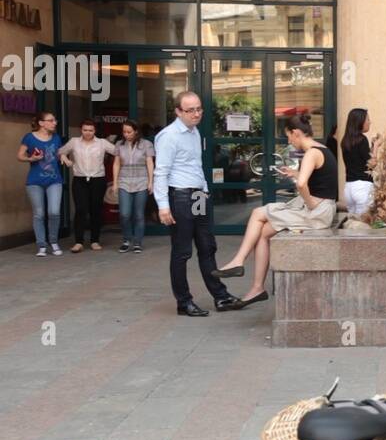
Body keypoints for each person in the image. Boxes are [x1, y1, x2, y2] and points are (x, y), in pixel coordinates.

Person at [213, 114, 338, 307]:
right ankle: (257, 288)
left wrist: (310, 202)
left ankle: (238, 261)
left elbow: (303, 184)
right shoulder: (322, 149)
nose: (288, 141)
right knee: (262, 233)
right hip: (321, 209)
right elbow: (320, 178)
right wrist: (295, 173)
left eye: (289, 136)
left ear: (296, 133)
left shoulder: (311, 153)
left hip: (317, 212)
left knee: (257, 213)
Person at [154, 91, 244, 317]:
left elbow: (196, 166)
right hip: (180, 197)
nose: (196, 114)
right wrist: (163, 205)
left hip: (197, 197)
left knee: (207, 246)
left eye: (199, 109)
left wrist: (204, 190)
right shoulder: (169, 136)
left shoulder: (194, 133)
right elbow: (161, 172)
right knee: (182, 252)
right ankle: (184, 302)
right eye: (190, 110)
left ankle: (221, 297)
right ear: (178, 111)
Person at [58, 119, 116, 253]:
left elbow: (118, 152)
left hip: (98, 180)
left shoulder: (102, 143)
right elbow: (60, 151)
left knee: (95, 210)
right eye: (85, 130)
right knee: (81, 209)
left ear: (94, 131)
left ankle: (95, 240)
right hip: (80, 180)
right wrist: (65, 158)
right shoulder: (74, 142)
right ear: (81, 130)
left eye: (90, 130)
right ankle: (79, 242)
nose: (88, 133)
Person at [18, 111, 64, 257]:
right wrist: (31, 158)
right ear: (41, 123)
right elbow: (20, 155)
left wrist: (65, 158)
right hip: (34, 181)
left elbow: (60, 153)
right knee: (39, 214)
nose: (54, 122)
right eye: (51, 120)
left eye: (54, 120)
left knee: (54, 212)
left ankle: (54, 241)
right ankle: (41, 245)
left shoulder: (56, 138)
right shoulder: (29, 138)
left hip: (54, 180)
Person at [112, 119, 155, 253]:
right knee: (124, 214)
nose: (126, 134)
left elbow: (150, 163)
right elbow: (116, 163)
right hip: (124, 181)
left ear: (136, 131)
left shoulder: (146, 144)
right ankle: (126, 239)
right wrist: (115, 182)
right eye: (124, 132)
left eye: (129, 132)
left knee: (139, 215)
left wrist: (150, 181)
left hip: (141, 181)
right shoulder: (119, 144)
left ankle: (137, 242)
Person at [341, 108, 379, 215]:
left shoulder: (345, 141)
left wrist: (371, 147)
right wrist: (376, 147)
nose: (369, 122)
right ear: (360, 122)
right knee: (363, 226)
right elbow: (371, 164)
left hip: (349, 187)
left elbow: (360, 160)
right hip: (362, 186)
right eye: (367, 119)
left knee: (352, 224)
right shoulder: (362, 139)